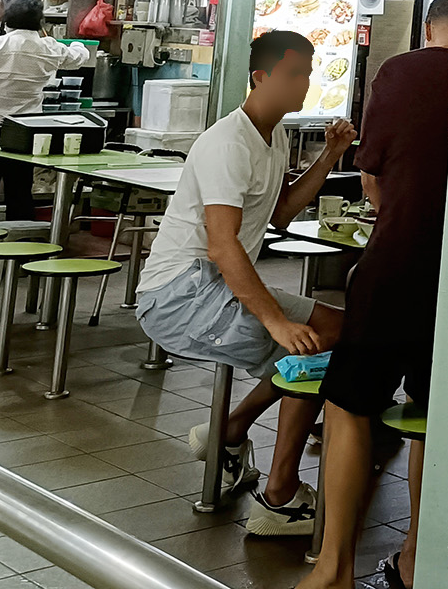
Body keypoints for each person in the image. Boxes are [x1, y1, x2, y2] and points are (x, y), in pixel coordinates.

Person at [134, 30, 356, 537]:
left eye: (308, 72)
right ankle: (277, 498)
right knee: (312, 354)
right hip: (178, 294)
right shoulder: (228, 143)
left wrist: (329, 155)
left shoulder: (272, 134)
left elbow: (276, 214)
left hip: (218, 283)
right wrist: (275, 321)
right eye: (295, 73)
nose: (305, 83)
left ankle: (230, 429)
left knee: (338, 330)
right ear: (261, 76)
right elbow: (222, 245)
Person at [297, 0, 448, 589]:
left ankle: (333, 566)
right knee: (434, 413)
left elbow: (374, 181)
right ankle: (418, 561)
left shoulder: (402, 71)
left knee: (349, 404)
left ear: (427, 26)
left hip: (397, 267)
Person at [0, 0, 91, 226]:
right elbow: (78, 57)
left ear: (8, 18)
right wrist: (76, 43)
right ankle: (19, 253)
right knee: (20, 194)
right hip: (25, 136)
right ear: (39, 21)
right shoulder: (49, 47)